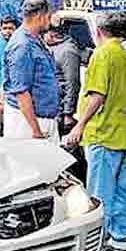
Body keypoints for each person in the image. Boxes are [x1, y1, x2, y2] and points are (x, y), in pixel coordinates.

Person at [64, 11, 126, 251]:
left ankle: (98, 240)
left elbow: (97, 94)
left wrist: (79, 124)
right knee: (121, 188)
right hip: (123, 131)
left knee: (99, 190)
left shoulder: (103, 54)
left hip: (102, 131)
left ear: (99, 31)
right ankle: (119, 236)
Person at [3, 0, 61, 141]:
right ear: (40, 16)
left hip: (41, 119)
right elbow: (21, 92)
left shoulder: (35, 40)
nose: (51, 21)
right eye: (49, 16)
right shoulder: (22, 45)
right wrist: (36, 130)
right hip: (27, 123)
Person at [45, 17, 85, 177]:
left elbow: (72, 83)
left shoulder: (67, 51)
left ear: (52, 34)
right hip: (53, 107)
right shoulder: (51, 48)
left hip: (63, 109)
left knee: (69, 152)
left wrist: (68, 112)